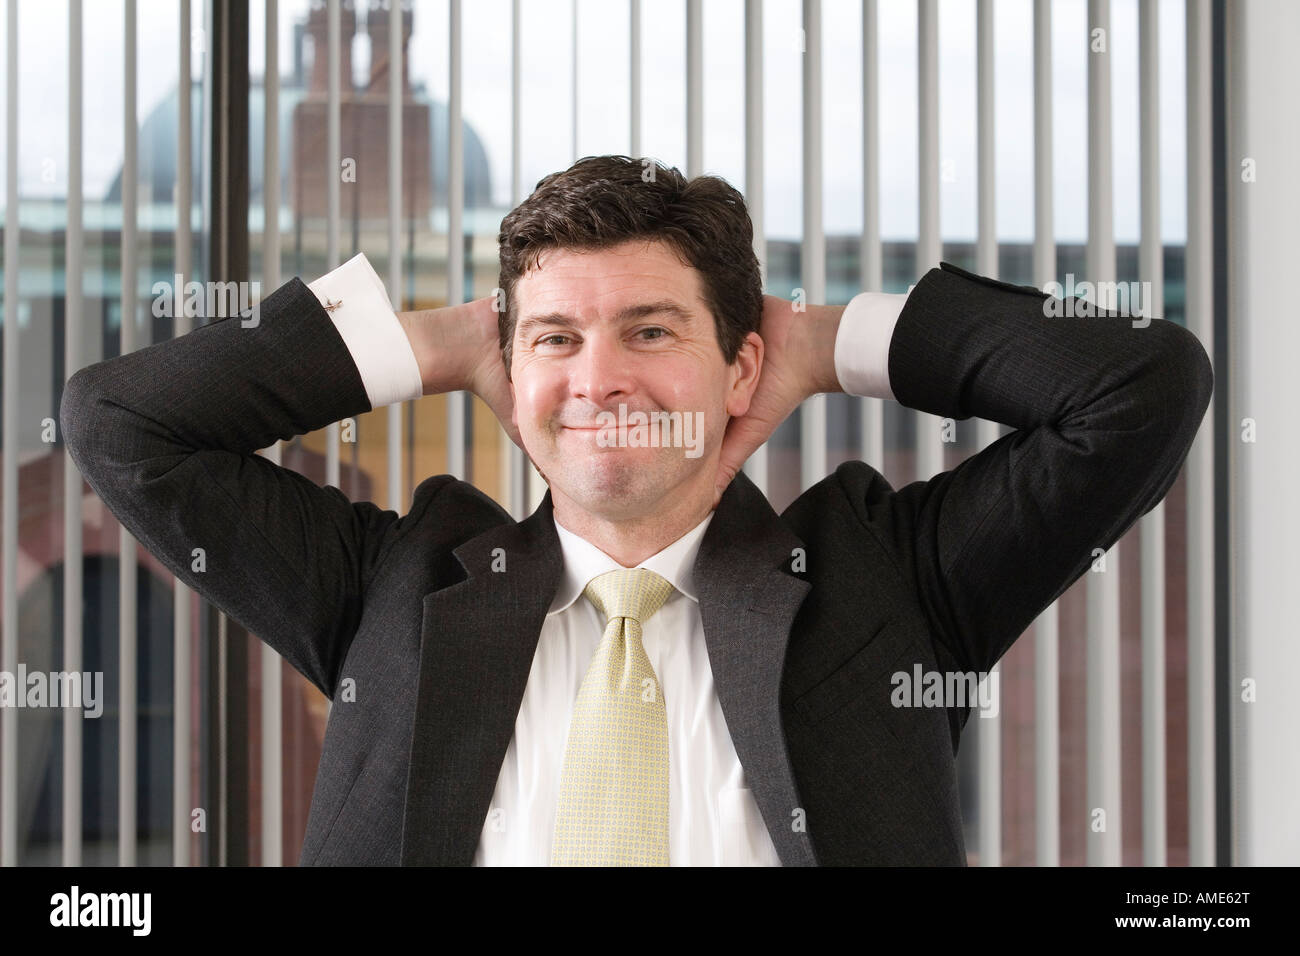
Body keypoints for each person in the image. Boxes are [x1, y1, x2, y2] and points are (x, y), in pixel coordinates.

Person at [59, 154, 1213, 866]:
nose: (599, 378)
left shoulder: (890, 585)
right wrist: (441, 342)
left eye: (652, 331)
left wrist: (825, 343)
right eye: (556, 338)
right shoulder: (397, 589)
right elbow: (117, 421)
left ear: (740, 368)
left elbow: (1137, 387)